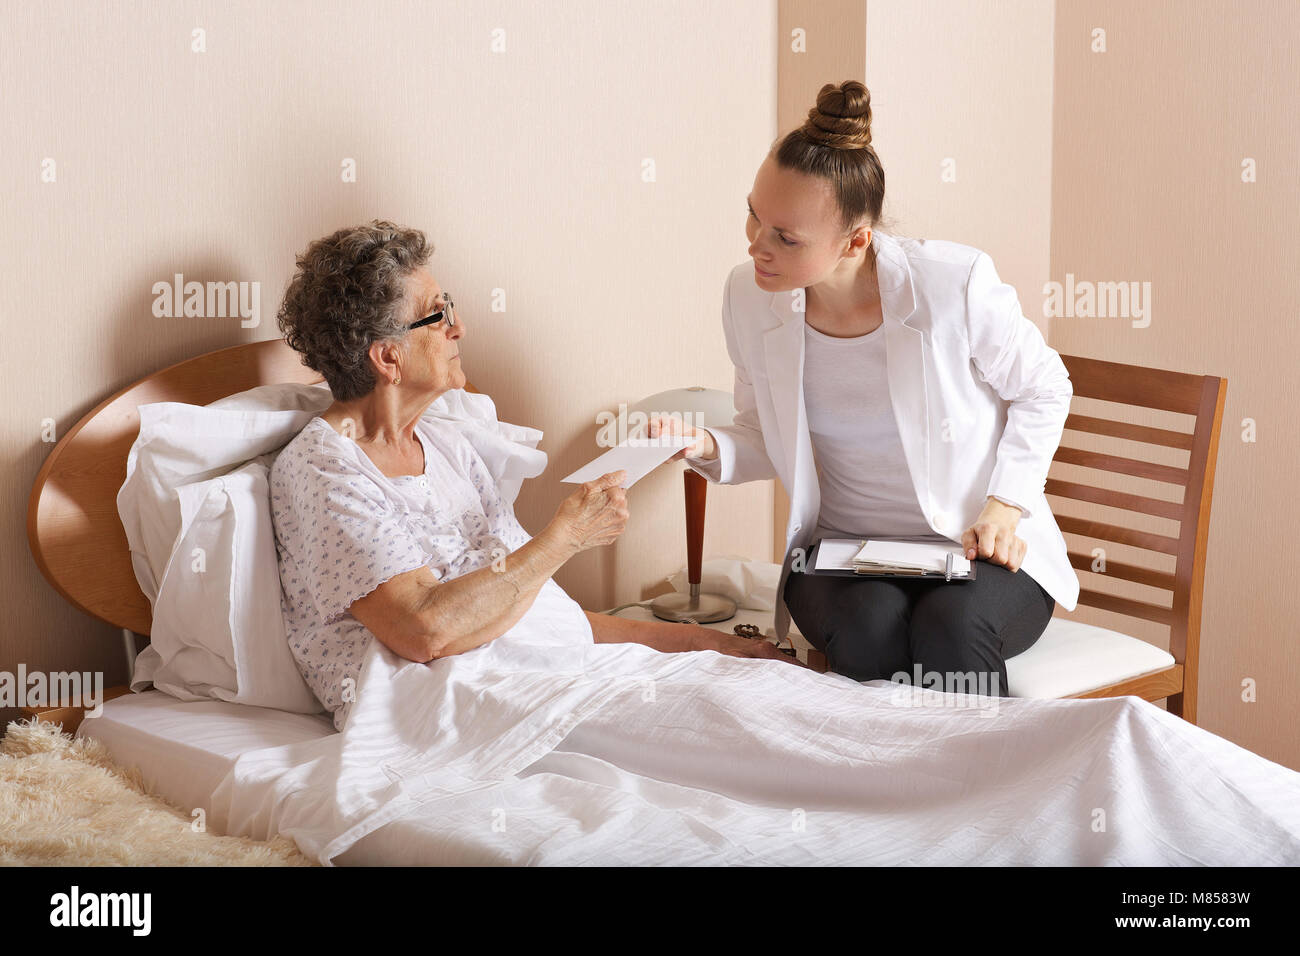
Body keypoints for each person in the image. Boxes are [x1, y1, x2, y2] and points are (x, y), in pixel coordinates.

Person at [270, 220, 795, 730]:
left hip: (547, 670)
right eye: (437, 314)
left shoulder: (448, 444)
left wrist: (696, 643)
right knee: (743, 737)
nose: (459, 327)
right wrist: (564, 538)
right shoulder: (325, 469)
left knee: (769, 702)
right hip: (454, 706)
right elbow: (425, 631)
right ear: (388, 357)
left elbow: (537, 613)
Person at [649, 80, 1080, 697]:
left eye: (785, 237)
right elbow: (764, 435)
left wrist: (1005, 506)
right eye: (754, 215)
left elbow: (1045, 387)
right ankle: (869, 789)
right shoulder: (749, 297)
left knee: (950, 623)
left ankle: (970, 790)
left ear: (856, 240)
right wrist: (706, 447)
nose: (755, 245)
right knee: (869, 623)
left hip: (975, 549)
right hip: (841, 556)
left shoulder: (951, 285)